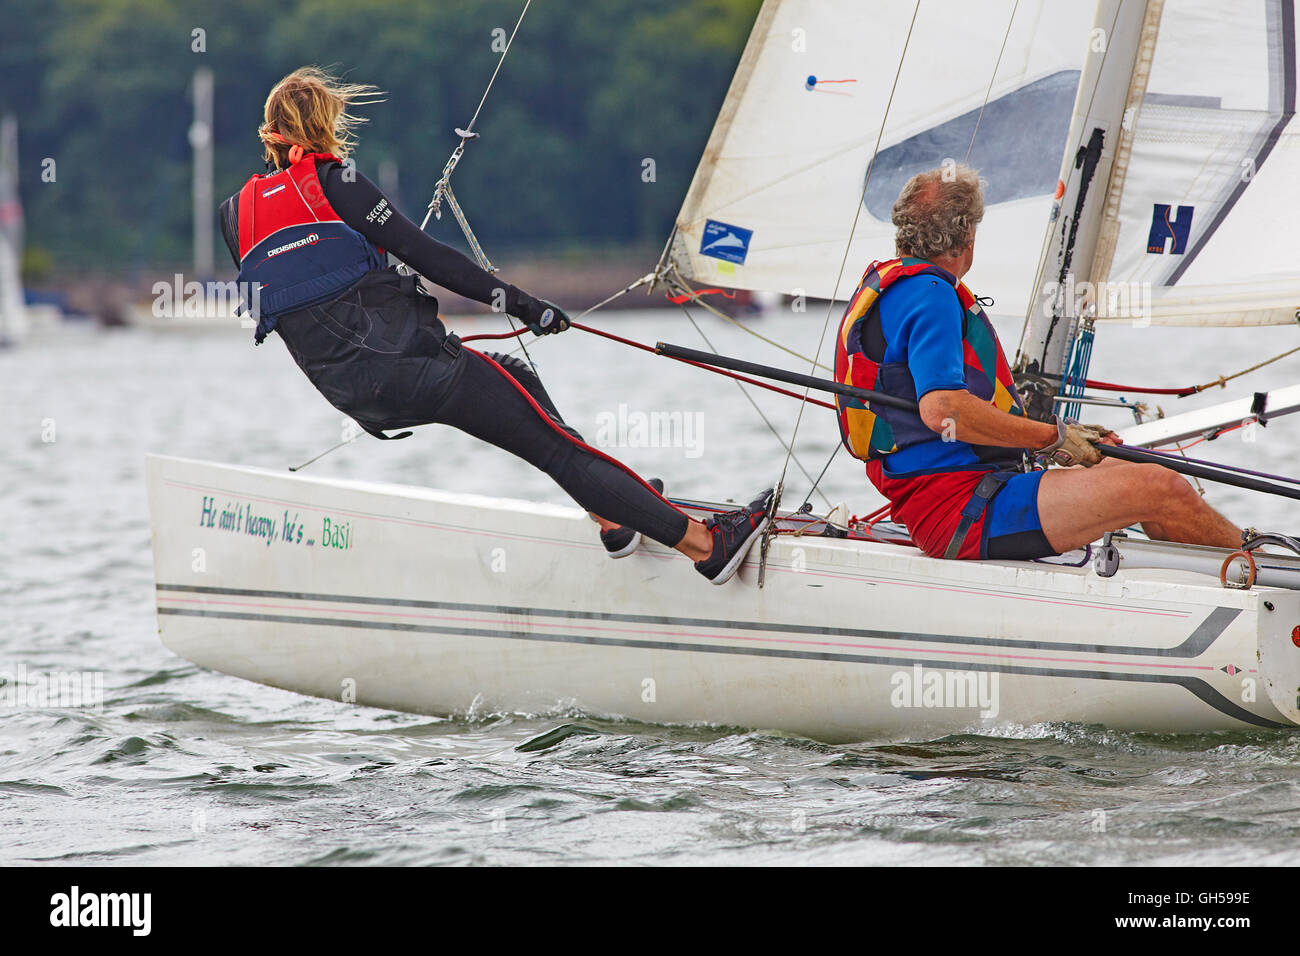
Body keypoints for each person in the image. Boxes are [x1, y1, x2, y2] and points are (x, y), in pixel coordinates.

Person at [218, 67, 770, 584]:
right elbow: (433, 258)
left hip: (351, 396)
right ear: (325, 129)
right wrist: (526, 305)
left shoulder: (233, 215)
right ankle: (706, 547)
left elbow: (304, 282)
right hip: (419, 370)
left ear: (270, 135)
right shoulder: (338, 180)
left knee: (512, 376)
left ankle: (613, 516)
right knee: (557, 451)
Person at [833, 164, 1243, 560]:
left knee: (1123, 461)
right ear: (968, 236)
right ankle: (1257, 566)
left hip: (967, 494)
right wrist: (1053, 438)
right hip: (960, 511)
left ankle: (1207, 570)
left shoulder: (892, 286)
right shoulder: (931, 293)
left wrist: (1060, 435)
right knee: (1161, 487)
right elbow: (943, 411)